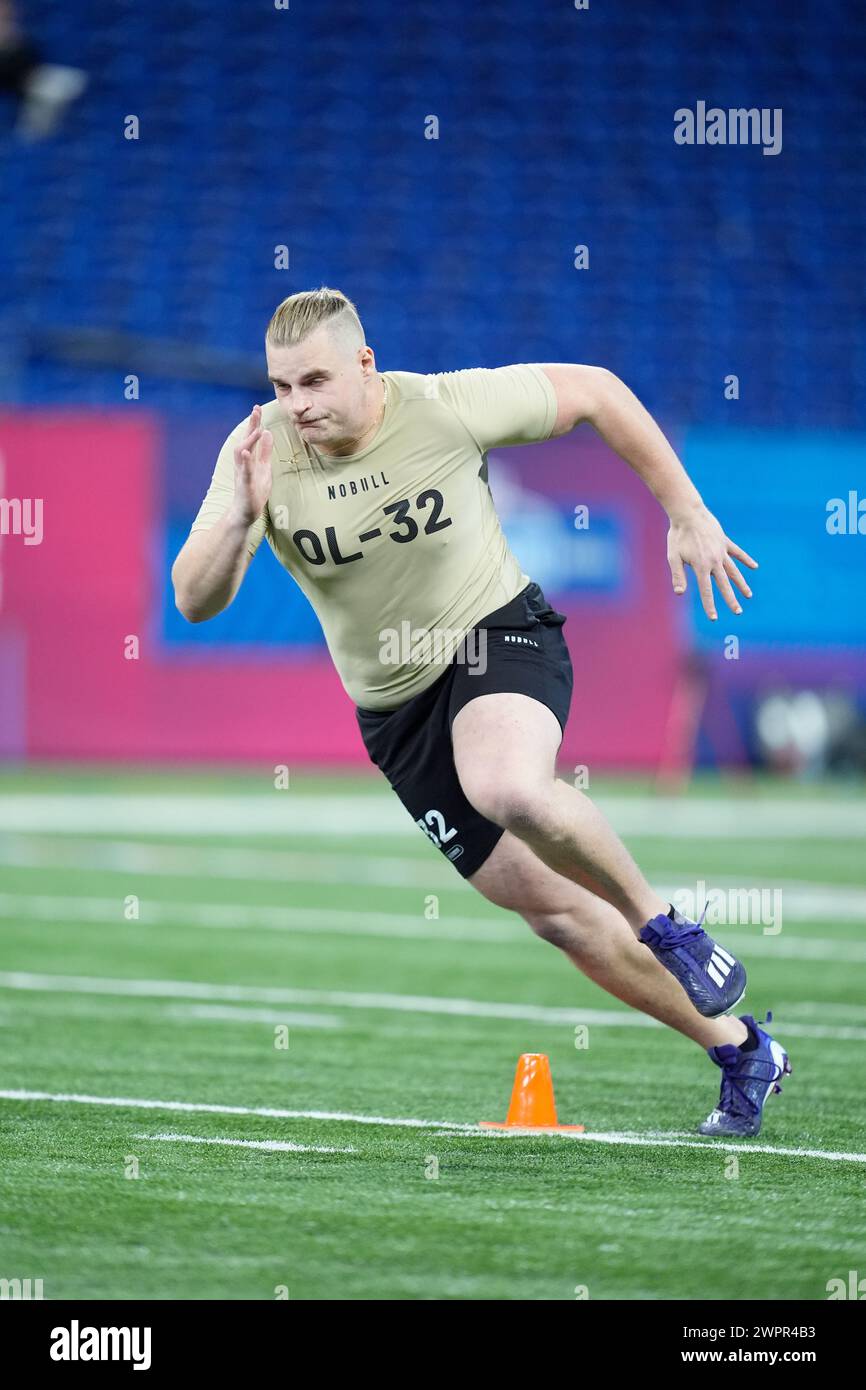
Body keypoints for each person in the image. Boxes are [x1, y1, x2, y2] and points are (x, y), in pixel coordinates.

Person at [172, 286, 791, 1137]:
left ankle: (667, 925)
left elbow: (599, 392)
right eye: (280, 385)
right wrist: (241, 516)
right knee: (560, 917)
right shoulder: (258, 452)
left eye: (313, 381)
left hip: (494, 636)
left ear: (364, 364)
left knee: (505, 784)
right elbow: (194, 600)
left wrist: (685, 510)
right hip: (396, 714)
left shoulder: (442, 406)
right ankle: (741, 1048)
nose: (295, 404)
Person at [0, 1, 87, 141]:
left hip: (23, 86)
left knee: (58, 86)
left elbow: (25, 68)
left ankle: (33, 143)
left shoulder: (23, 49)